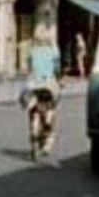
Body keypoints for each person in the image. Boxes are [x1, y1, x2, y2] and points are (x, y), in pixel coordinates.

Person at [19, 26, 61, 157]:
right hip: (48, 84)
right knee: (53, 103)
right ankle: (48, 122)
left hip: (34, 84)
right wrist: (58, 78)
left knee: (28, 104)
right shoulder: (53, 50)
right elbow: (57, 68)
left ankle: (34, 134)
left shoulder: (32, 50)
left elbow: (29, 68)